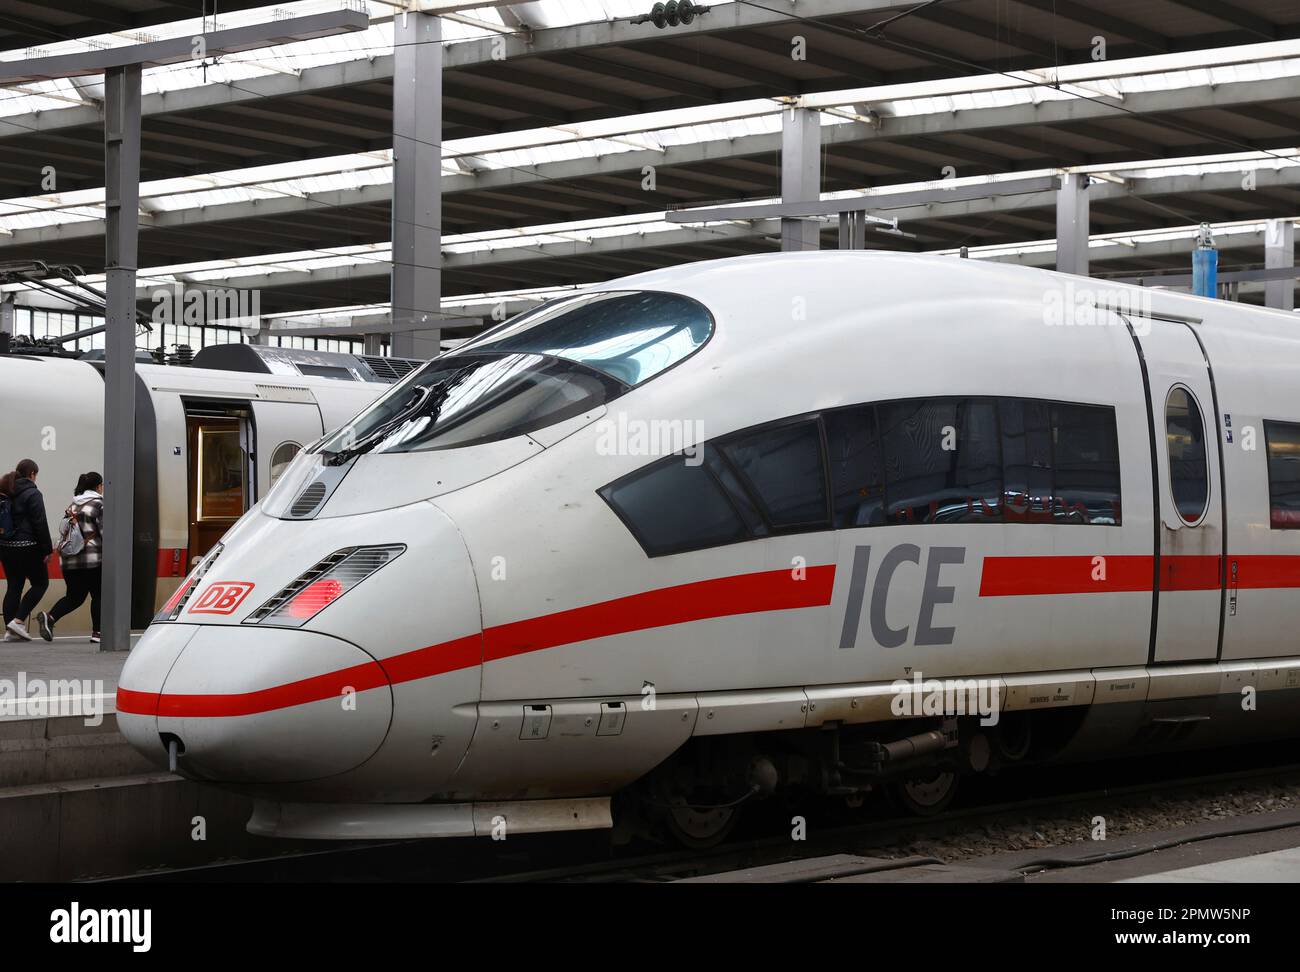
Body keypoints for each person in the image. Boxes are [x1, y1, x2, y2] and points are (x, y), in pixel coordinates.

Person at [37, 472, 105, 644]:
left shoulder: (72, 506)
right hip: (92, 559)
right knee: (99, 595)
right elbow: (105, 533)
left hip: (69, 560)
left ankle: (50, 617)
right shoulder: (99, 504)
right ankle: (97, 633)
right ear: (98, 486)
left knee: (75, 597)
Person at [0, 459, 52, 642]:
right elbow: (40, 523)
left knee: (14, 586)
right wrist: (47, 549)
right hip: (28, 547)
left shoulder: (6, 490)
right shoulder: (32, 493)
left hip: (6, 547)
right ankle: (18, 620)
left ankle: (10, 630)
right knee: (41, 583)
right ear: (32, 474)